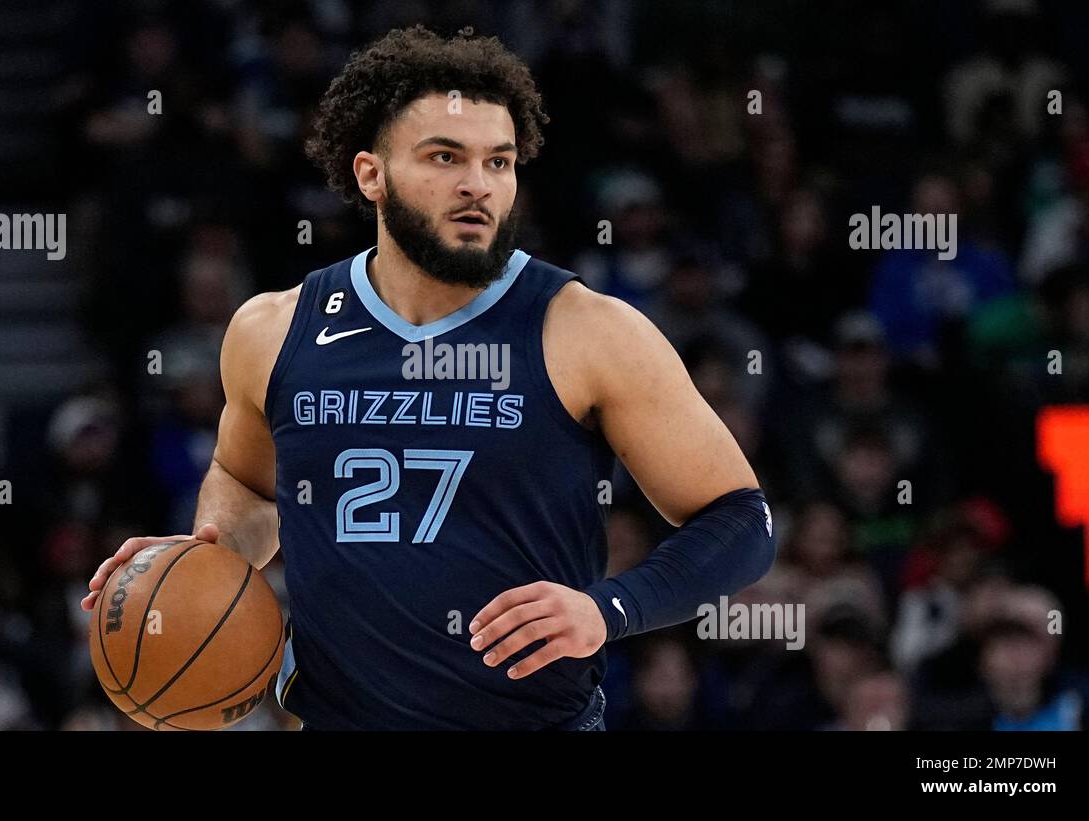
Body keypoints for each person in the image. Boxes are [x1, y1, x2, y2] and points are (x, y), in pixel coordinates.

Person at [81, 25, 775, 730]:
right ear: (370, 174)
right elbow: (251, 486)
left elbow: (741, 521)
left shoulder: (587, 330)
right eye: (446, 157)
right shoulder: (273, 329)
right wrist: (208, 554)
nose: (478, 184)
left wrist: (609, 607)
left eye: (499, 162)